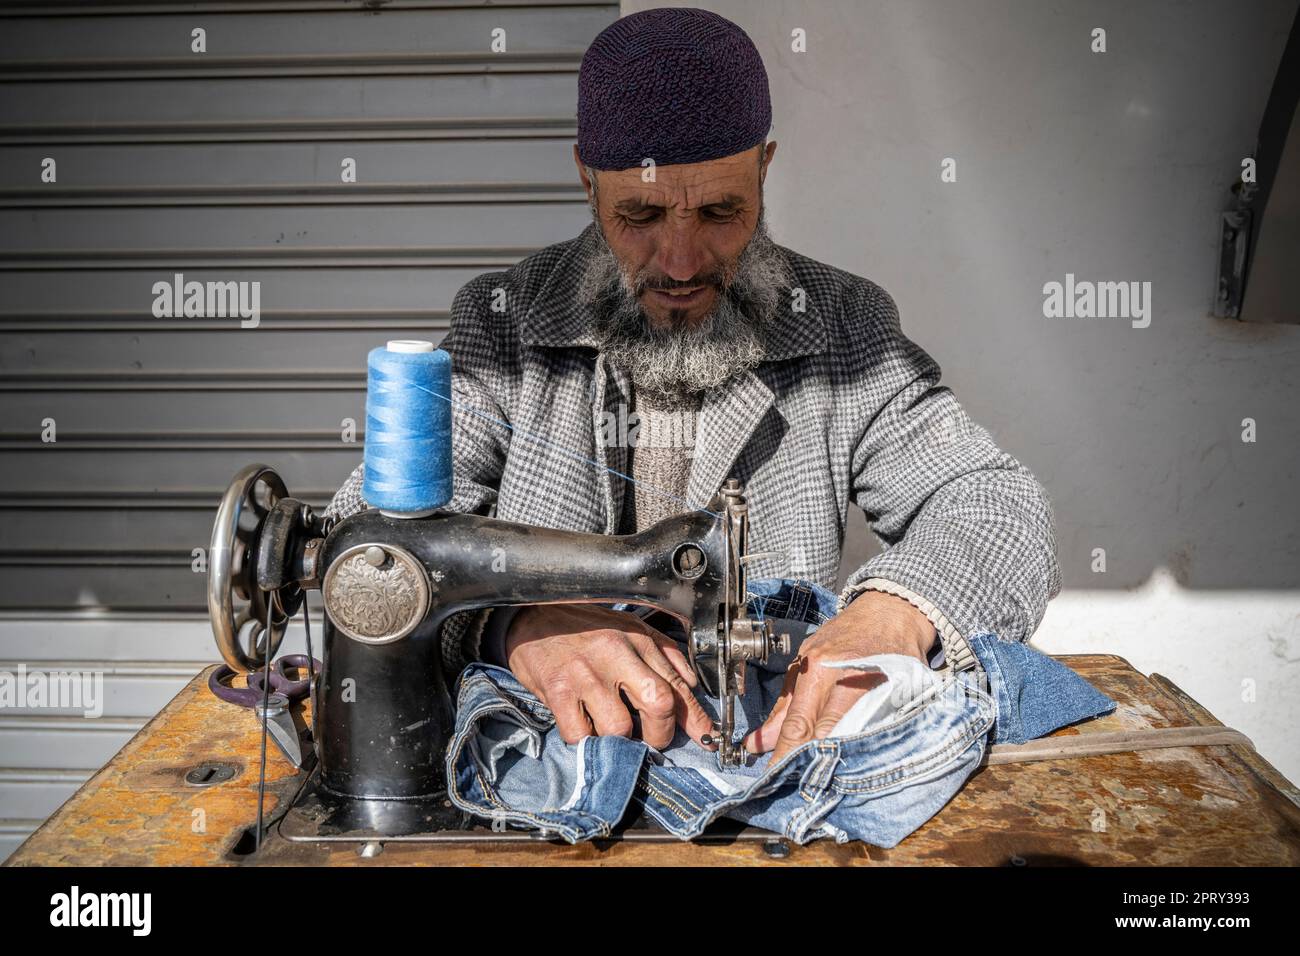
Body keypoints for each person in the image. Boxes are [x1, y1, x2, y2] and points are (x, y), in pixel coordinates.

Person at [326, 7, 1060, 767]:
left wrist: (896, 613)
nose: (680, 262)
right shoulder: (505, 328)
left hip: (761, 753)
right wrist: (517, 623)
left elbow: (995, 505)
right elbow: (368, 543)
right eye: (640, 214)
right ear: (587, 178)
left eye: (720, 211)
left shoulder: (843, 330)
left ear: (764, 170)